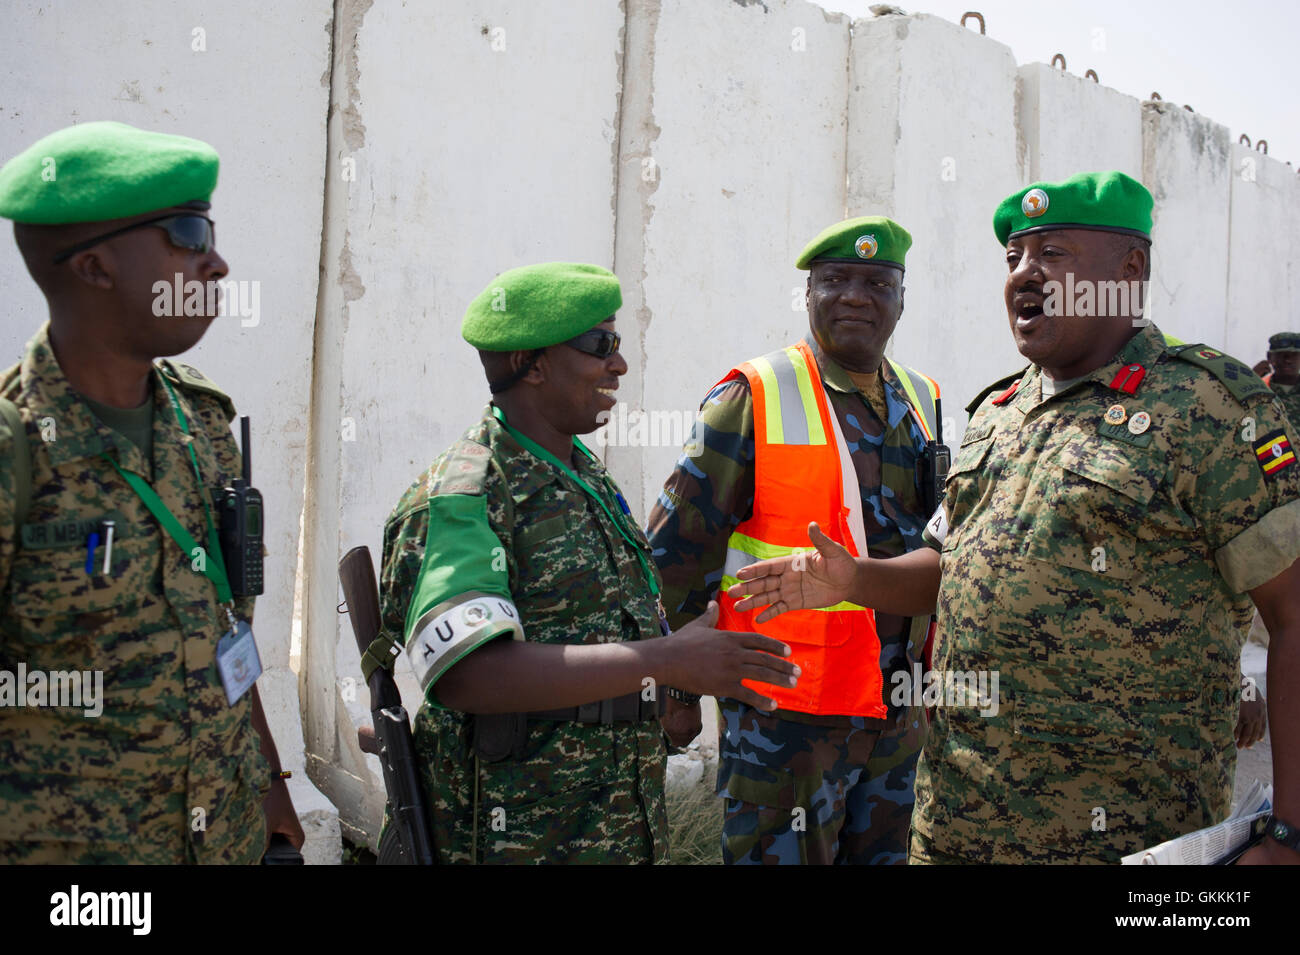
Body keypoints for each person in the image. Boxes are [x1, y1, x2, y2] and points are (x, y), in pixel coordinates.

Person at [727, 171, 1300, 865]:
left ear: (1131, 268)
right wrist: (856, 578)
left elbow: (1293, 612)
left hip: (1130, 838)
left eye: (1052, 254)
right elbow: (949, 565)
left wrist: (1289, 832)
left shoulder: (1210, 407)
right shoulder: (997, 413)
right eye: (1013, 259)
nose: (1025, 275)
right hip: (960, 828)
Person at [375, 262, 799, 864]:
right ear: (535, 363)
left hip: (613, 827)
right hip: (517, 839)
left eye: (618, 344)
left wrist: (671, 685)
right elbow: (467, 674)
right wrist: (665, 658)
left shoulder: (579, 472)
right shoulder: (467, 493)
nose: (619, 364)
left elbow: (611, 621)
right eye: (600, 345)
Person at [0, 121, 302, 863]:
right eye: (190, 234)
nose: (218, 263)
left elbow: (222, 632)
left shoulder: (201, 424)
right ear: (96, 266)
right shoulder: (16, 448)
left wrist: (275, 804)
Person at [646, 217, 944, 864]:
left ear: (902, 297)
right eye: (835, 280)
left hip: (898, 708)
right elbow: (676, 554)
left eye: (876, 282)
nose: (856, 296)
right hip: (786, 713)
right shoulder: (754, 394)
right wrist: (675, 687)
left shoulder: (924, 399)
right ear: (808, 294)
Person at [1258, 333, 1300, 427]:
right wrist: (1249, 379)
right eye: (1283, 355)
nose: (1288, 360)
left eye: (1294, 355)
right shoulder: (1259, 390)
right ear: (1269, 357)